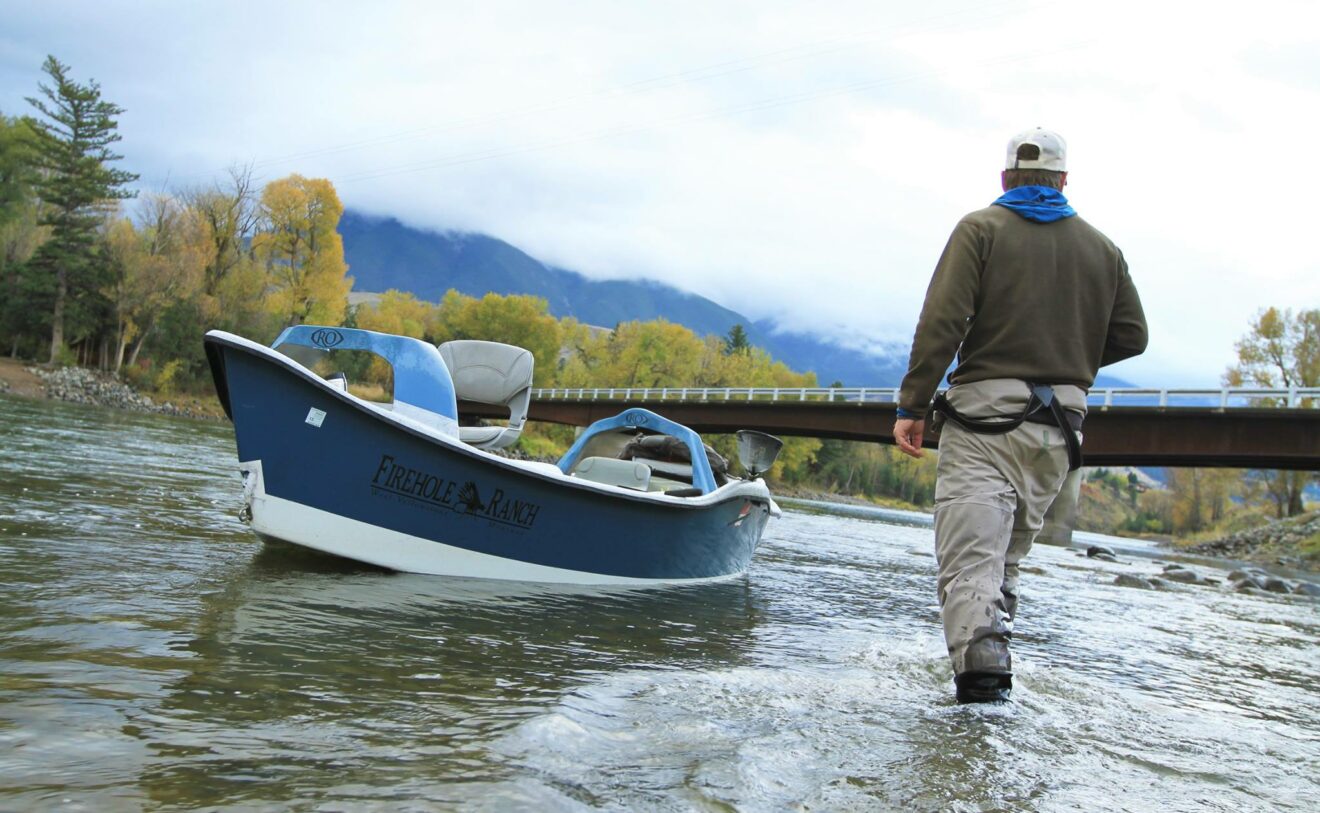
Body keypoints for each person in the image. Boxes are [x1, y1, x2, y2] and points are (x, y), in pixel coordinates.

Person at [892, 127, 1147, 703]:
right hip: (1059, 431)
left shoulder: (979, 229)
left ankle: (979, 708)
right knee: (1003, 565)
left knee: (969, 567)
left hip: (986, 420)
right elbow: (1132, 335)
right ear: (1064, 182)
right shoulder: (1103, 249)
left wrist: (913, 405)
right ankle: (995, 693)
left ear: (1005, 178)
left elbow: (942, 322)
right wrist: (1070, 354)